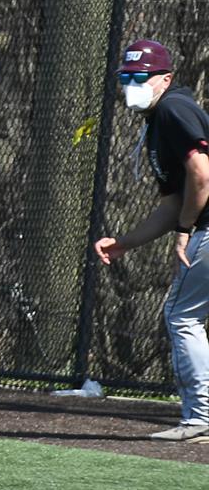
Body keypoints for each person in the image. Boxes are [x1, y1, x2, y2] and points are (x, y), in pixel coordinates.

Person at [93, 38, 209, 442]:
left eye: (140, 77)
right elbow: (172, 202)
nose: (131, 85)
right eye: (125, 78)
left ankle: (200, 417)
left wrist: (185, 230)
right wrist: (126, 242)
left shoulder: (174, 109)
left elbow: (201, 174)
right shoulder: (158, 120)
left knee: (182, 315)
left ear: (166, 79)